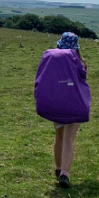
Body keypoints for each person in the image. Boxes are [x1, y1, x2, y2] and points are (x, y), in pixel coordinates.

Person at [34, 32, 90, 188]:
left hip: (56, 103)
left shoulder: (50, 58)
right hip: (74, 105)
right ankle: (65, 173)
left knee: (59, 137)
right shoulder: (79, 61)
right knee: (69, 140)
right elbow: (82, 77)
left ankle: (58, 168)